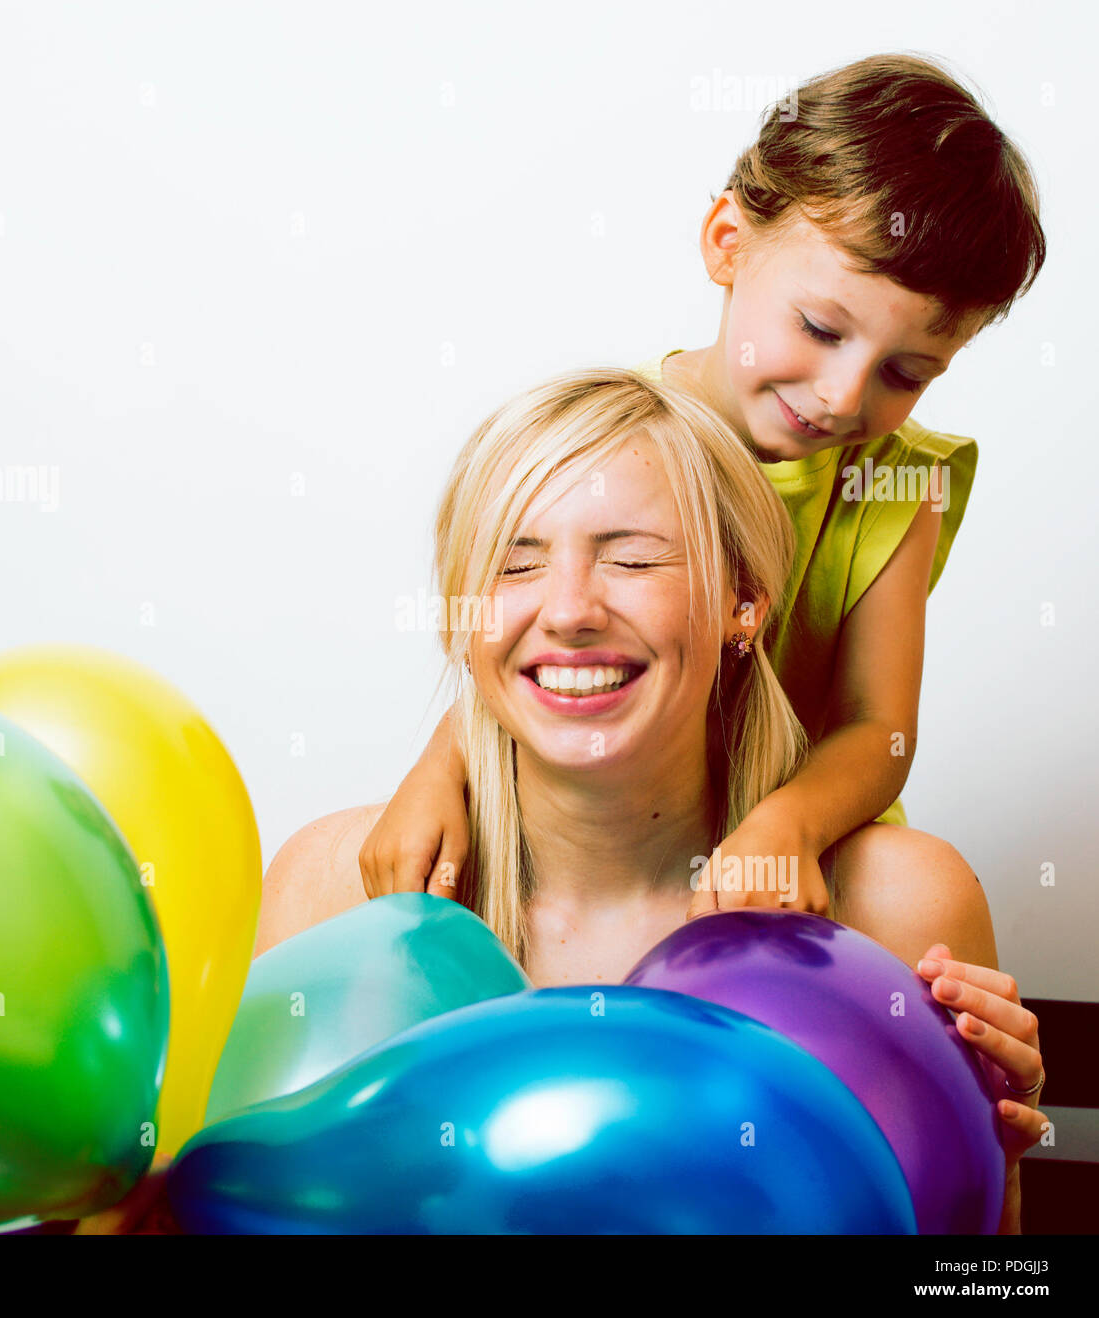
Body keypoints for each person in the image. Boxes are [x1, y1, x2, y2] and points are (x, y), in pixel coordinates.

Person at [258, 368, 1047, 1236]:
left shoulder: (899, 908)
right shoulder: (329, 889)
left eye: (632, 558)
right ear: (461, 619)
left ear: (743, 605)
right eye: (517, 563)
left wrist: (989, 1172)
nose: (568, 611)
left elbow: (990, 1286)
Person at [358, 52, 1045, 924]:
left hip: (788, 855)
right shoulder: (624, 436)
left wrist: (787, 825)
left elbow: (880, 726)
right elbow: (542, 636)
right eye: (820, 327)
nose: (844, 397)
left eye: (905, 373)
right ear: (728, 243)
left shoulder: (894, 479)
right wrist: (437, 769)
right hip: (607, 843)